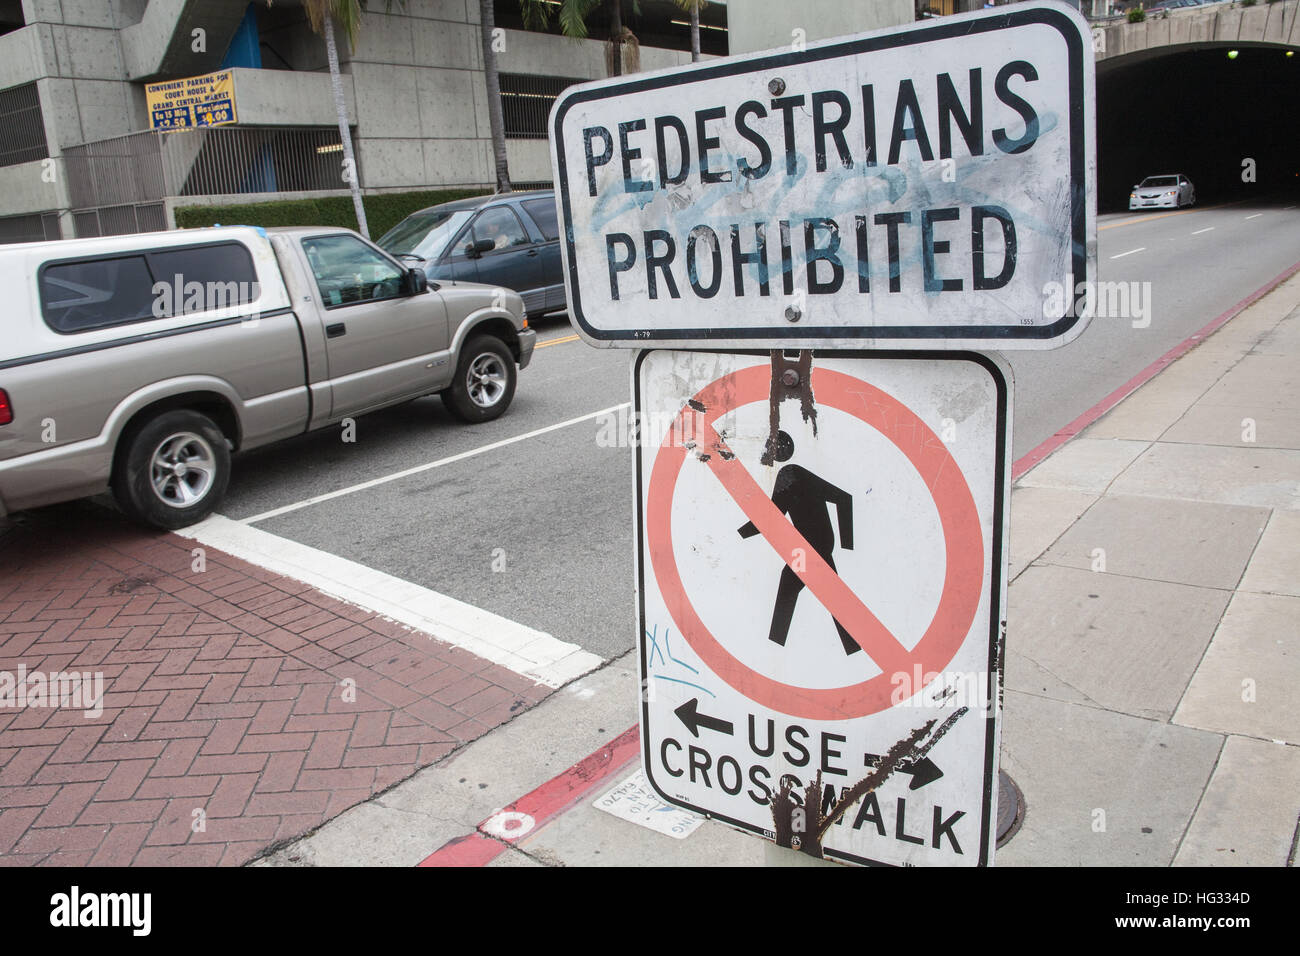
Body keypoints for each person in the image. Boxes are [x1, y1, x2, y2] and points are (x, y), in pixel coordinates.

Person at [737, 430, 860, 656]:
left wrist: (738, 535)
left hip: (812, 547)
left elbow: (770, 518)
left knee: (791, 586)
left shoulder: (789, 474)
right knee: (830, 596)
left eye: (767, 450)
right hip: (819, 544)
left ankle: (773, 649)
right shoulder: (796, 474)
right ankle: (853, 646)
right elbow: (772, 517)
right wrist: (842, 544)